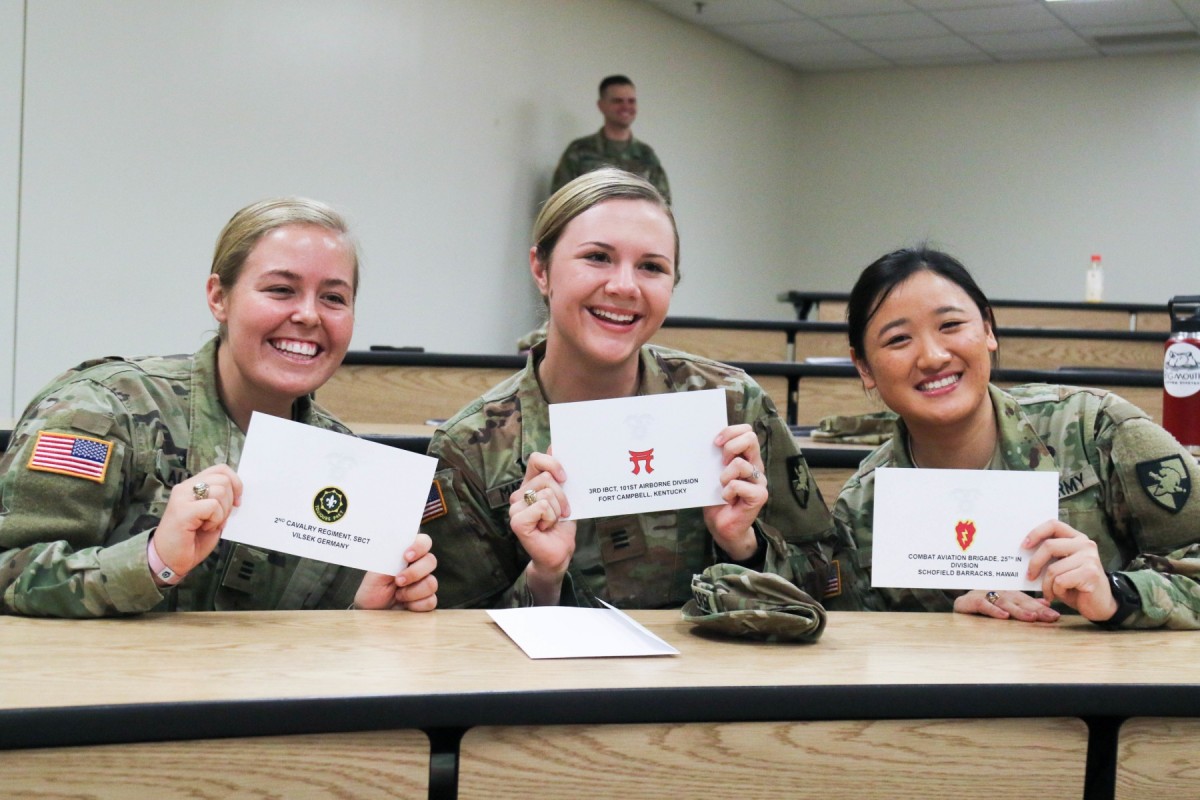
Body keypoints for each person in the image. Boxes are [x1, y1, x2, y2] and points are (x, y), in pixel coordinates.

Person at [426, 168, 864, 609]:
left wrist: (744, 546)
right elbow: (446, 634)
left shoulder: (732, 405)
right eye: (597, 257)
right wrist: (544, 577)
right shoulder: (472, 448)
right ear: (541, 269)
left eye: (651, 267)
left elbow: (831, 585)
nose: (624, 286)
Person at [0, 197, 437, 617]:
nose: (309, 315)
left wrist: (362, 614)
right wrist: (154, 560)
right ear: (218, 297)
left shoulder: (347, 463)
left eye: (334, 298)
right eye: (281, 290)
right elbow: (9, 571)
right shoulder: (105, 409)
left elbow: (300, 642)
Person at [833, 246, 1200, 629]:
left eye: (950, 325)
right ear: (864, 367)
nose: (933, 357)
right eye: (898, 340)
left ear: (988, 329)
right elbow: (853, 643)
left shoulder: (1095, 429)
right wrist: (951, 626)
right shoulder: (861, 510)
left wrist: (1118, 593)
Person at [551, 75, 671, 204]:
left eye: (631, 101)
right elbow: (560, 202)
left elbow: (662, 204)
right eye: (618, 101)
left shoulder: (646, 155)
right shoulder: (579, 151)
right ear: (601, 105)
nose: (626, 106)